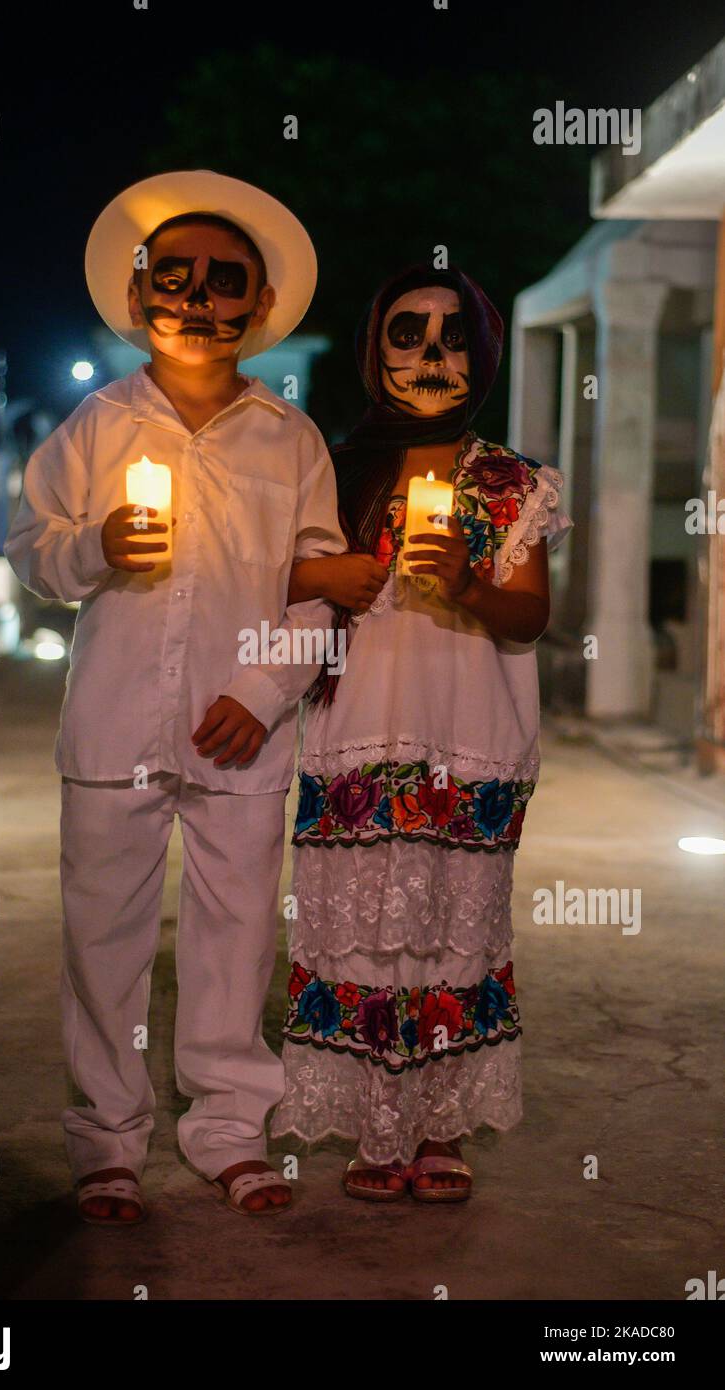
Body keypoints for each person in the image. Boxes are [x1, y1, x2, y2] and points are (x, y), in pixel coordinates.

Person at [4, 170, 346, 1222]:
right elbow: (29, 554)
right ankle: (106, 1138)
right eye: (175, 277)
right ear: (139, 291)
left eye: (222, 281)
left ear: (257, 305)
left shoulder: (289, 442)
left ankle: (228, 1127)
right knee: (101, 938)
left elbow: (318, 581)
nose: (196, 299)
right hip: (112, 724)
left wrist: (261, 687)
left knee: (236, 933)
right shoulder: (94, 426)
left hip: (239, 733)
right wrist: (93, 545)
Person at [270, 263, 573, 1201]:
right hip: (358, 731)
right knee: (363, 935)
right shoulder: (333, 470)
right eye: (406, 334)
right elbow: (274, 578)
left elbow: (529, 619)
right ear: (374, 351)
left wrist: (471, 585)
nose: (431, 355)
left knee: (451, 932)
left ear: (480, 359)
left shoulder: (510, 481)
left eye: (451, 338)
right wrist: (322, 579)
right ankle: (374, 1131)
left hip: (468, 734)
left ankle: (440, 1131)